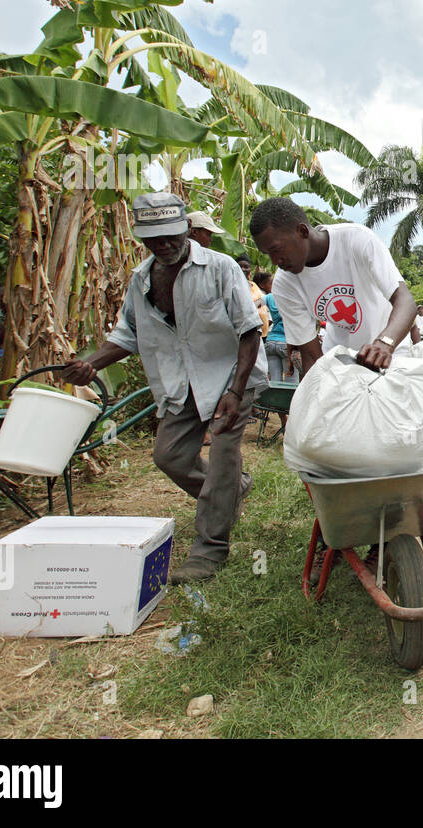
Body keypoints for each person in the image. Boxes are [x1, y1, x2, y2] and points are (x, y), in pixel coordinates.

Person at [61, 193, 267, 584]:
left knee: (223, 457)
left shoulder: (220, 268)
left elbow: (248, 330)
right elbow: (126, 335)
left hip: (229, 379)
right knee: (169, 456)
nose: (165, 245)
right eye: (155, 240)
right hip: (179, 384)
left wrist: (235, 392)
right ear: (143, 239)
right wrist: (91, 364)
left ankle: (209, 551)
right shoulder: (141, 280)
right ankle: (230, 490)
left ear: (187, 229)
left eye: (172, 236)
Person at [248, 198, 417, 377]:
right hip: (340, 362)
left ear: (302, 231)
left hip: (391, 351)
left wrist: (385, 343)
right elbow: (311, 357)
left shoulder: (357, 239)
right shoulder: (285, 284)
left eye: (277, 249)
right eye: (268, 254)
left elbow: (406, 301)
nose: (275, 261)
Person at [253, 271, 295, 385]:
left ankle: (273, 402)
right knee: (291, 383)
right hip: (287, 344)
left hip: (271, 343)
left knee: (274, 381)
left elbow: (253, 306)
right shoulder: (294, 298)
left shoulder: (269, 297)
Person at [236, 254, 272, 339]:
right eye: (240, 266)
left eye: (246, 267)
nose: (243, 269)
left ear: (250, 269)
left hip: (261, 333)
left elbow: (262, 302)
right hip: (243, 331)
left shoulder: (253, 285)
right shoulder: (233, 285)